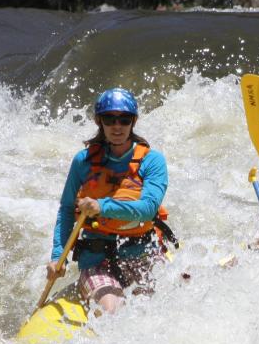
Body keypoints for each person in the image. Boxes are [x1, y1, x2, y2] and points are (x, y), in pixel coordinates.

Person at [47, 87, 174, 315]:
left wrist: (101, 206)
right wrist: (58, 257)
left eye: (124, 120)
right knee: (113, 311)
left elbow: (147, 210)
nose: (117, 126)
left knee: (169, 305)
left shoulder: (152, 161)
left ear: (133, 122)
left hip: (143, 253)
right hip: (97, 259)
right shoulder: (83, 161)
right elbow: (67, 210)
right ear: (99, 121)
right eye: (109, 119)